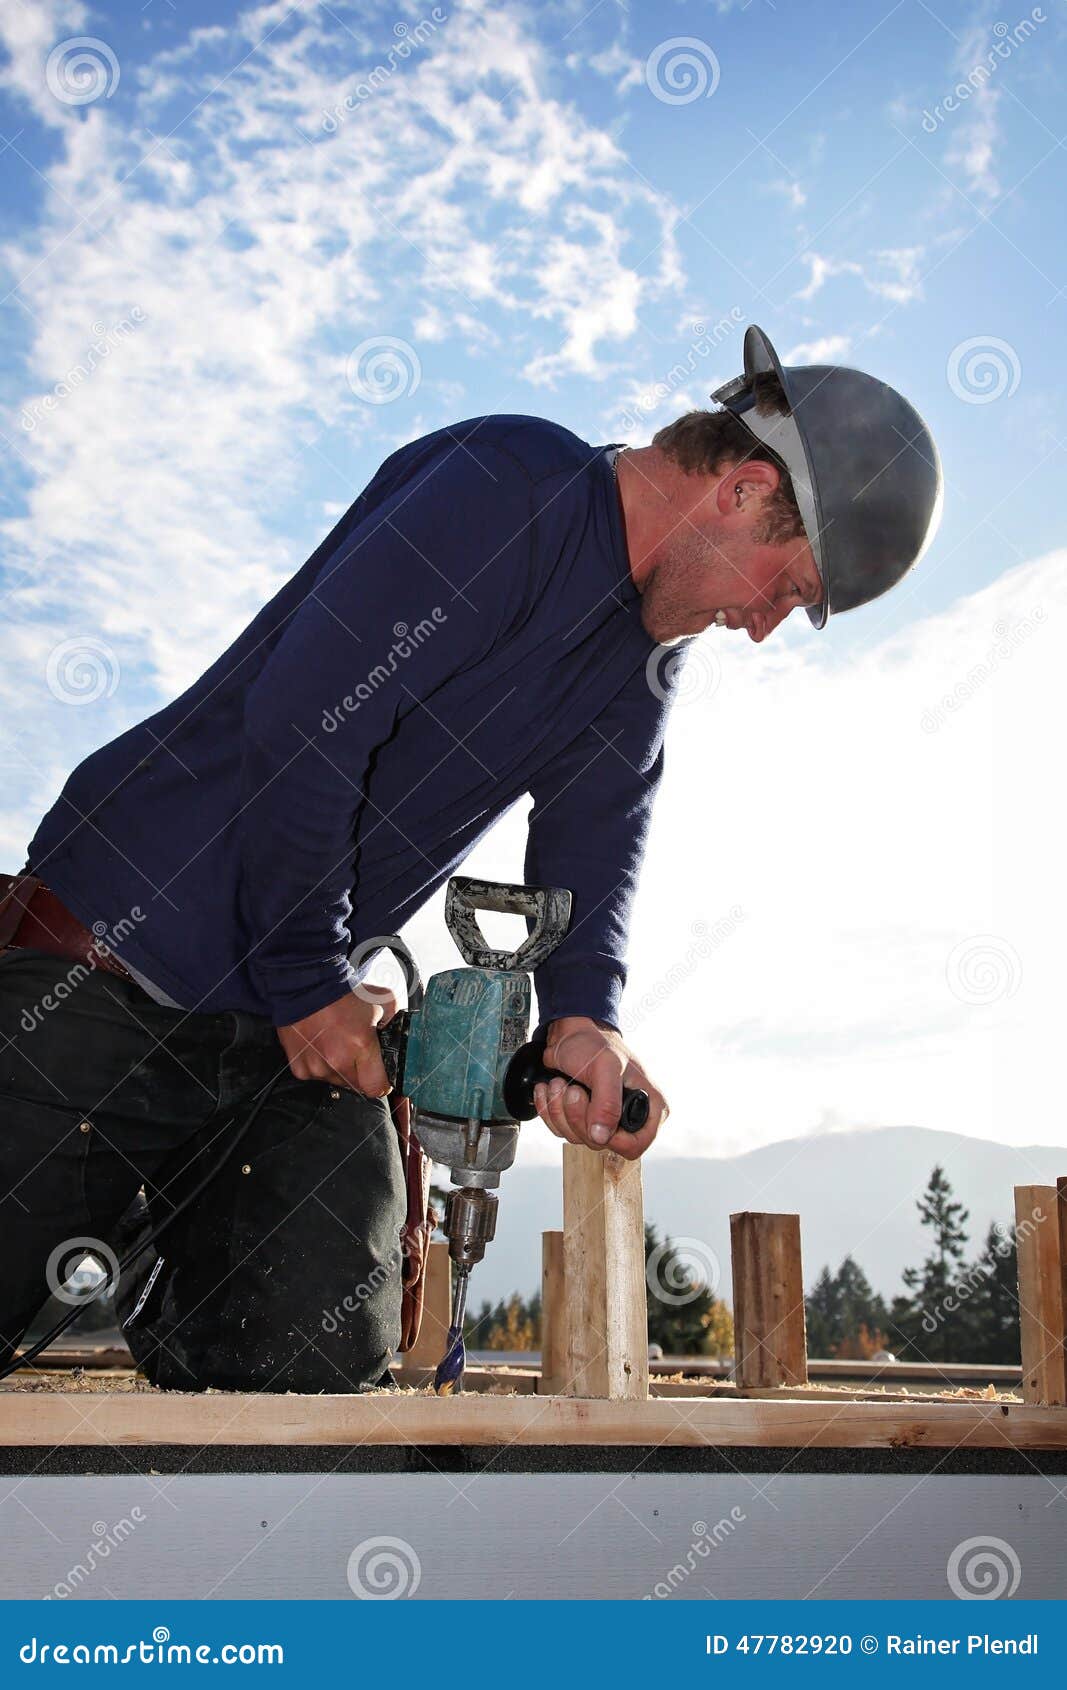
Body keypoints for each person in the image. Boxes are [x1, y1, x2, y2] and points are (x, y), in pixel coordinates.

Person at [0, 325, 942, 1390]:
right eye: (785, 585)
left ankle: (165, 1280)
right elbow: (308, 719)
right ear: (741, 489)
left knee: (313, 1350)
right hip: (119, 952)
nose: (764, 627)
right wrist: (312, 981)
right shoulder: (510, 489)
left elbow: (593, 847)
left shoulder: (639, 664)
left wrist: (585, 1020)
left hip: (281, 1027)